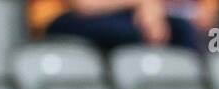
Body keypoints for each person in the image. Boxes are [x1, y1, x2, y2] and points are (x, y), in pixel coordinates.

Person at [28, 0, 200, 51]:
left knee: (182, 30)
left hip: (119, 13)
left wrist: (152, 10)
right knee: (128, 34)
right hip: (59, 17)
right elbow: (84, 5)